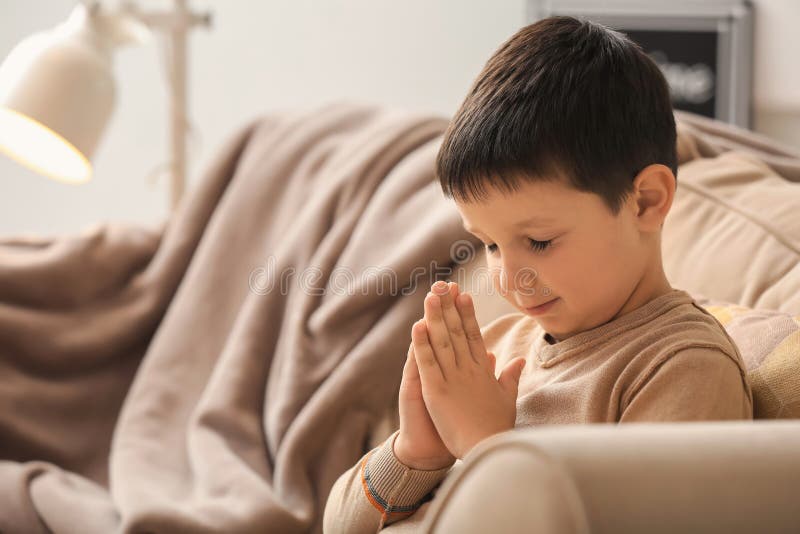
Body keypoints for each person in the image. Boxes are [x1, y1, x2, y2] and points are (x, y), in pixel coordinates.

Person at [323, 15, 753, 533]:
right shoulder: (501, 347)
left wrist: (487, 448)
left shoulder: (680, 368)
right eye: (490, 245)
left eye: (539, 242)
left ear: (646, 201)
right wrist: (416, 452)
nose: (509, 279)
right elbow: (340, 526)